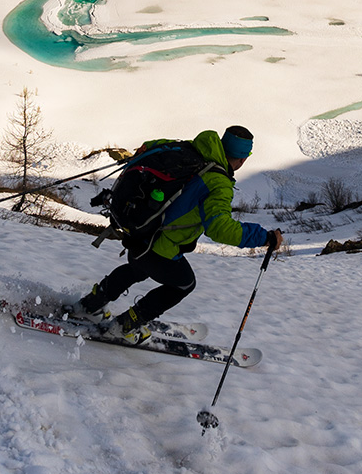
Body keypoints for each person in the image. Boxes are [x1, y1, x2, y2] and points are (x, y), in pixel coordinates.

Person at [68, 124, 283, 342]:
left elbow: (151, 147)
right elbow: (220, 229)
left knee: (138, 268)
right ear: (243, 158)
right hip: (157, 243)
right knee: (184, 283)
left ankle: (87, 306)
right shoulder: (218, 183)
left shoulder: (193, 149)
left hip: (138, 231)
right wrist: (264, 237)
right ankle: (125, 326)